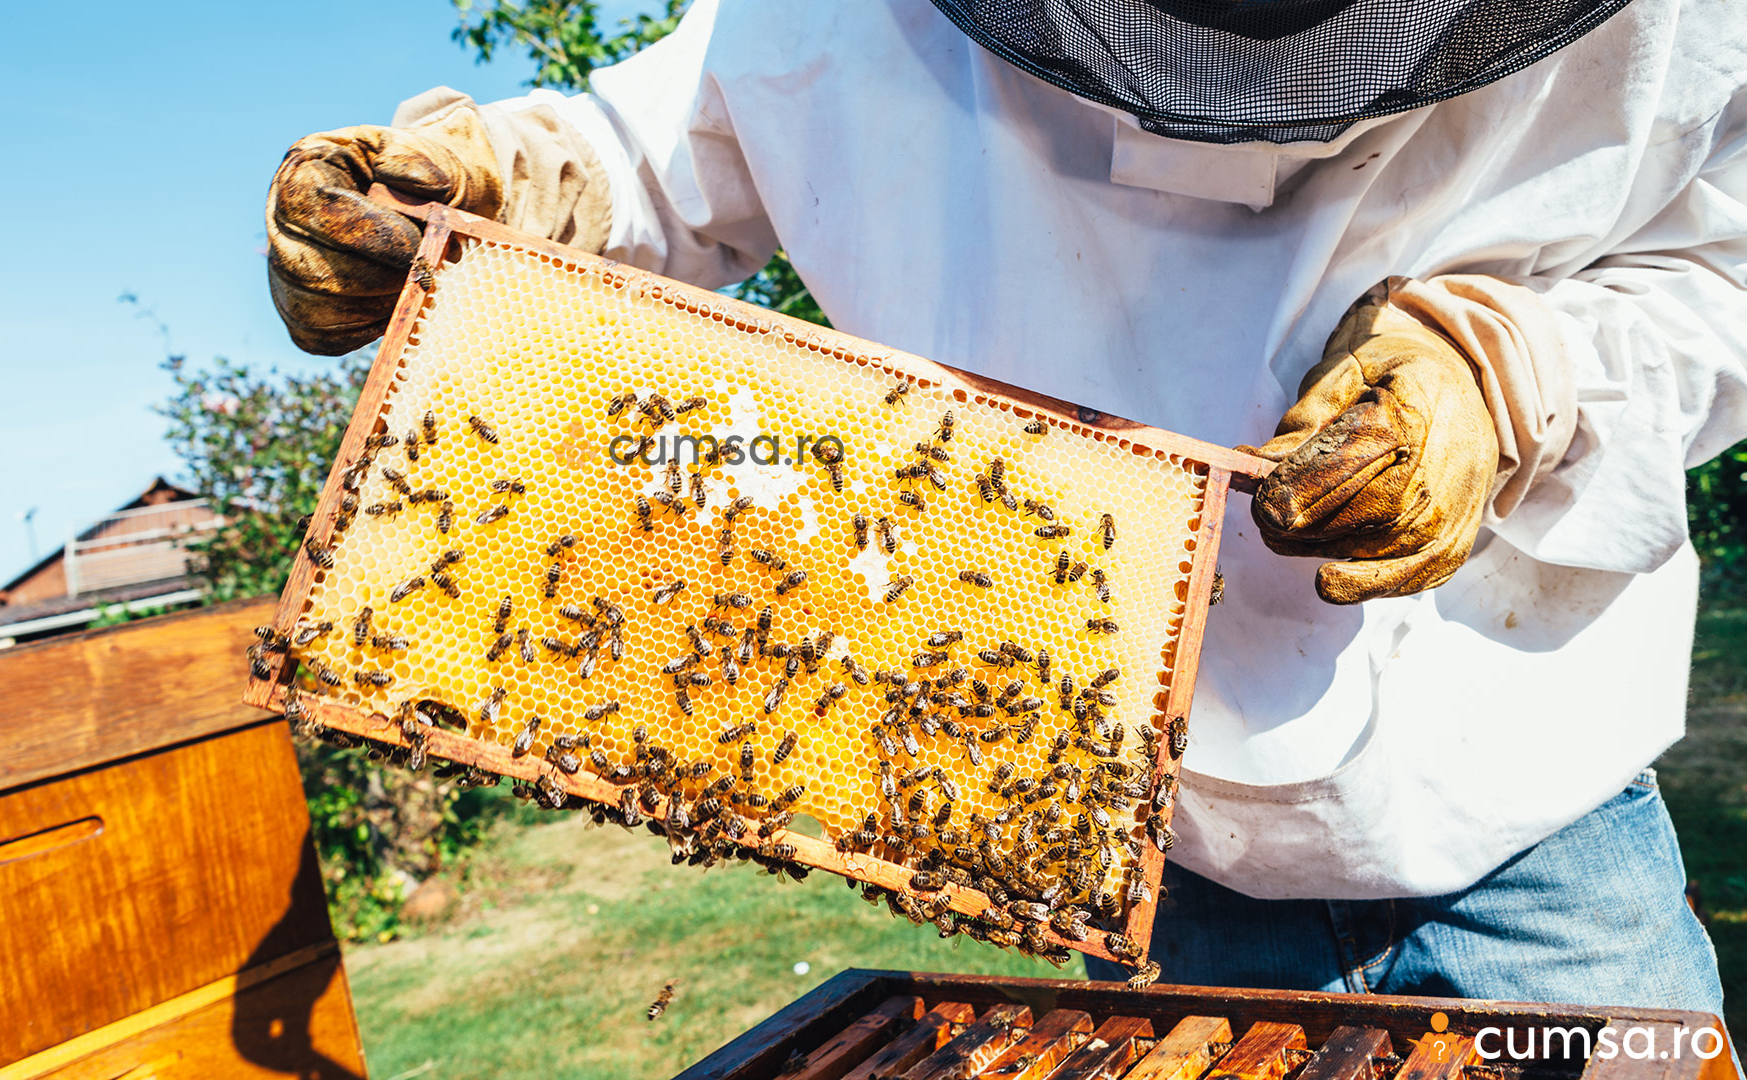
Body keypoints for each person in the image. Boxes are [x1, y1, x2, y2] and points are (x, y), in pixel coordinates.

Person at [265, 0, 1741, 1010]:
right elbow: (665, 147)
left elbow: (1722, 274)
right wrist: (500, 185)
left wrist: (1516, 375)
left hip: (1530, 847)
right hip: (1142, 866)